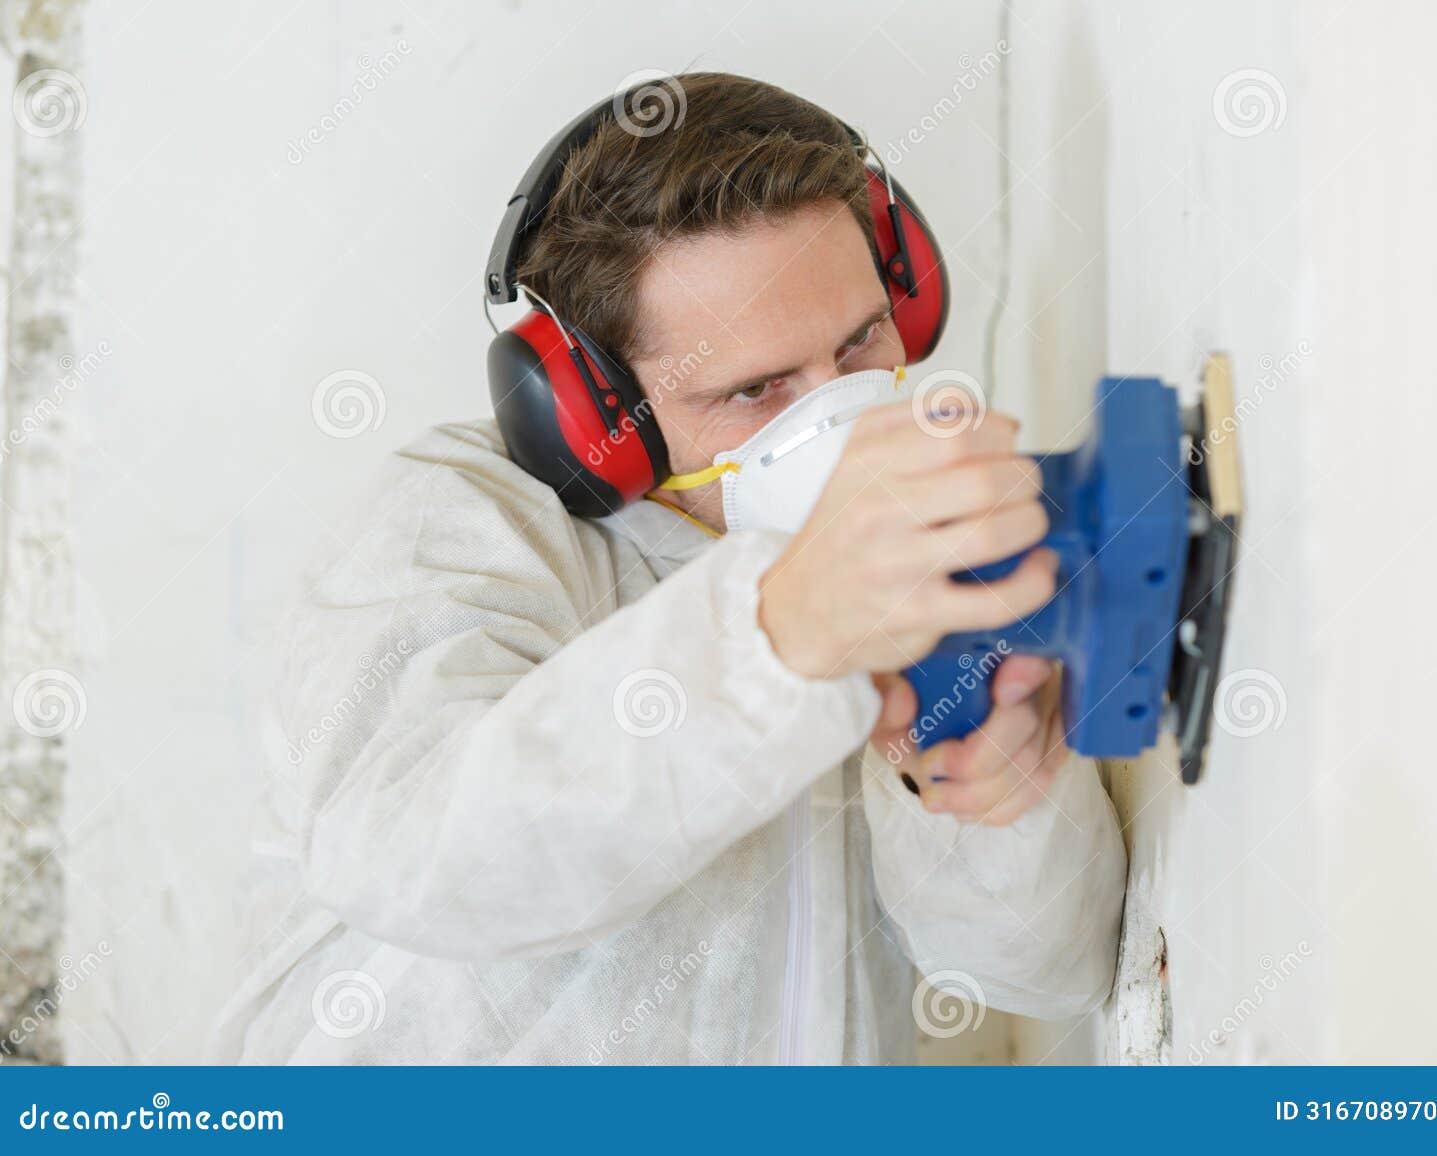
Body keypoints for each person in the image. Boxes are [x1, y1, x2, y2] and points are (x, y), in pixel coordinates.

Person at [213, 72, 1125, 1064]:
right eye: (756, 388)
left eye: (862, 338)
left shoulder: (906, 562)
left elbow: (1048, 974)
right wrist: (779, 636)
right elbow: (409, 855)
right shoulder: (458, 524)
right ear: (598, 418)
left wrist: (999, 797)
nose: (842, 410)